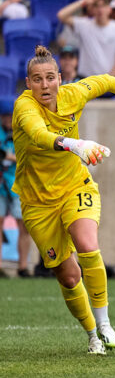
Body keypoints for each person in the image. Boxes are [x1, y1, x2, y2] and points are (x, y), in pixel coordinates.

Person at [13, 45, 115, 354]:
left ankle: (105, 323)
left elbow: (109, 81)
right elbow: (39, 136)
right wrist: (76, 144)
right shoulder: (24, 107)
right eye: (37, 80)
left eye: (49, 78)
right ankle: (91, 335)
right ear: (28, 83)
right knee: (69, 276)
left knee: (86, 243)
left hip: (75, 185)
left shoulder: (73, 94)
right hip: (37, 202)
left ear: (60, 78)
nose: (44, 85)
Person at [57, 0, 115, 79]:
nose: (100, 10)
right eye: (97, 6)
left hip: (108, 79)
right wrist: (83, 1)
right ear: (93, 9)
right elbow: (61, 15)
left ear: (109, 9)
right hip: (85, 79)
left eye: (103, 6)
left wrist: (109, 80)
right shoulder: (84, 25)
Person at [0, 99, 31, 277]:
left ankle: (23, 266)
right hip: (1, 186)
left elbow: (29, 156)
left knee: (23, 226)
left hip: (18, 184)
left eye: (10, 116)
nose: (7, 119)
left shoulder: (23, 131)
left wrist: (9, 157)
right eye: (4, 115)